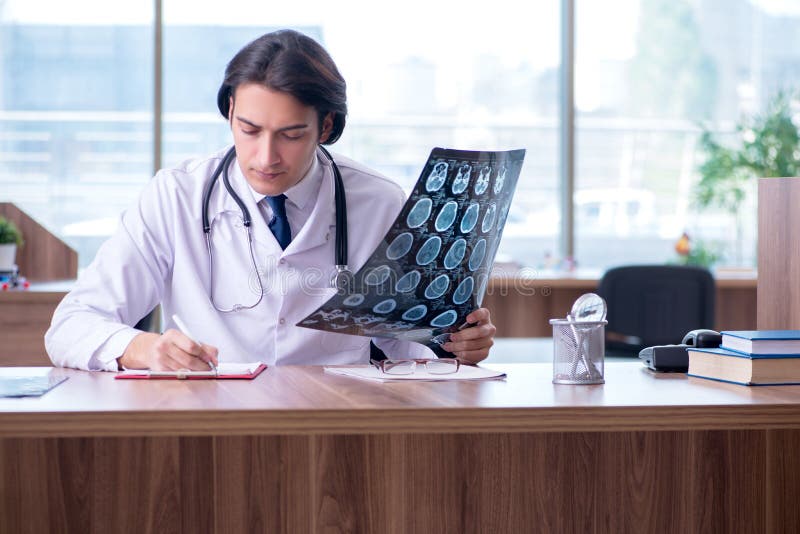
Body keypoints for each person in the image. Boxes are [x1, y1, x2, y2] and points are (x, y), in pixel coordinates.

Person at [45, 29, 497, 372]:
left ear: (325, 127)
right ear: (229, 114)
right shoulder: (176, 196)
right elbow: (70, 326)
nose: (265, 157)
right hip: (210, 422)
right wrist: (142, 347)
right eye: (249, 129)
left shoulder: (377, 201)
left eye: (291, 134)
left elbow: (412, 344)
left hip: (337, 429)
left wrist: (454, 345)